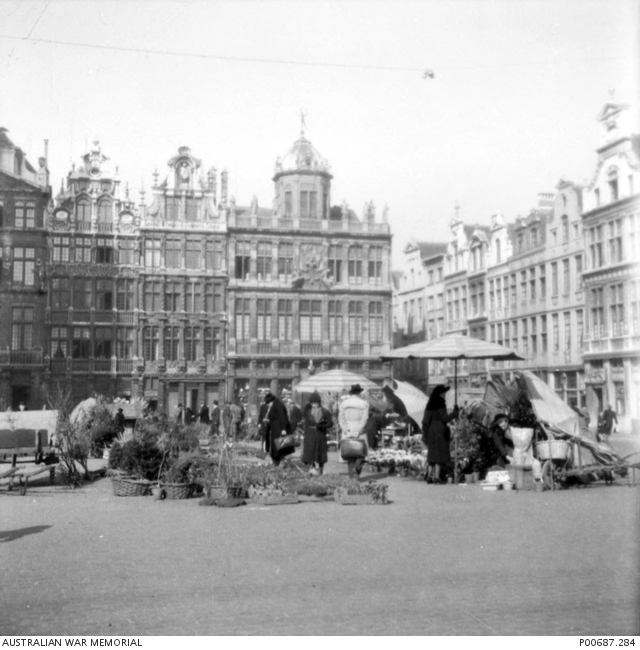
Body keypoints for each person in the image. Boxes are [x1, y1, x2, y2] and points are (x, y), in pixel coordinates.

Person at [421, 384, 458, 484]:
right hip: (439, 431)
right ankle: (437, 476)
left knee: (432, 453)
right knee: (439, 453)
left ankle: (429, 475)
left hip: (430, 431)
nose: (445, 395)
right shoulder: (440, 404)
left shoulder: (429, 404)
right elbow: (445, 418)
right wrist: (455, 413)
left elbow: (425, 420)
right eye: (443, 393)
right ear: (440, 394)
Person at [338, 384, 370, 478]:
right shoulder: (364, 403)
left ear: (351, 393)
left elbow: (341, 419)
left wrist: (346, 430)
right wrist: (358, 430)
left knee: (349, 453)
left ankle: (352, 475)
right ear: (359, 393)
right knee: (360, 452)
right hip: (359, 429)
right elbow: (365, 418)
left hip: (347, 428)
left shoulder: (344, 403)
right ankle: (357, 469)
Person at [301, 392, 332, 475]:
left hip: (320, 434)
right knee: (310, 453)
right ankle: (312, 468)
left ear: (319, 402)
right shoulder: (308, 412)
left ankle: (321, 469)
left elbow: (330, 423)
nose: (314, 405)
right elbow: (306, 424)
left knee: (320, 452)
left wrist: (322, 425)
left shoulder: (325, 411)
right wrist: (305, 435)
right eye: (313, 403)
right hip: (310, 434)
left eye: (316, 403)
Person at [258, 391, 291, 467]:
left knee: (280, 447)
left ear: (271, 401)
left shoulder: (278, 406)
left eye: (268, 403)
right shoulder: (274, 405)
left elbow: (283, 418)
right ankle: (276, 462)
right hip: (274, 429)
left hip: (279, 429)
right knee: (274, 447)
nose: (268, 405)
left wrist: (283, 429)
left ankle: (281, 462)